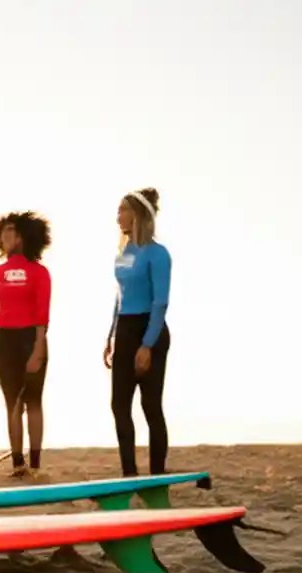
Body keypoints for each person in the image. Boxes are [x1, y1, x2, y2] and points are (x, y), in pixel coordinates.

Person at [104, 187, 172, 477]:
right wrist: (111, 335)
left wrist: (147, 344)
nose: (118, 216)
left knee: (150, 406)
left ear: (137, 215)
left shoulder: (158, 254)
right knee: (119, 405)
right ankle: (129, 475)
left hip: (149, 329)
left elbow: (160, 302)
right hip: (125, 328)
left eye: (123, 210)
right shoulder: (124, 253)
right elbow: (120, 295)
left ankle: (157, 475)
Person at [0, 211, 52, 477]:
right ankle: (18, 463)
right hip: (5, 340)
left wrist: (38, 347)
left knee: (33, 401)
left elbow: (43, 313)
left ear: (24, 236)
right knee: (12, 402)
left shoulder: (40, 272)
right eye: (4, 232)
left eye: (12, 231)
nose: (6, 236)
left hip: (30, 338)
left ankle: (36, 463)